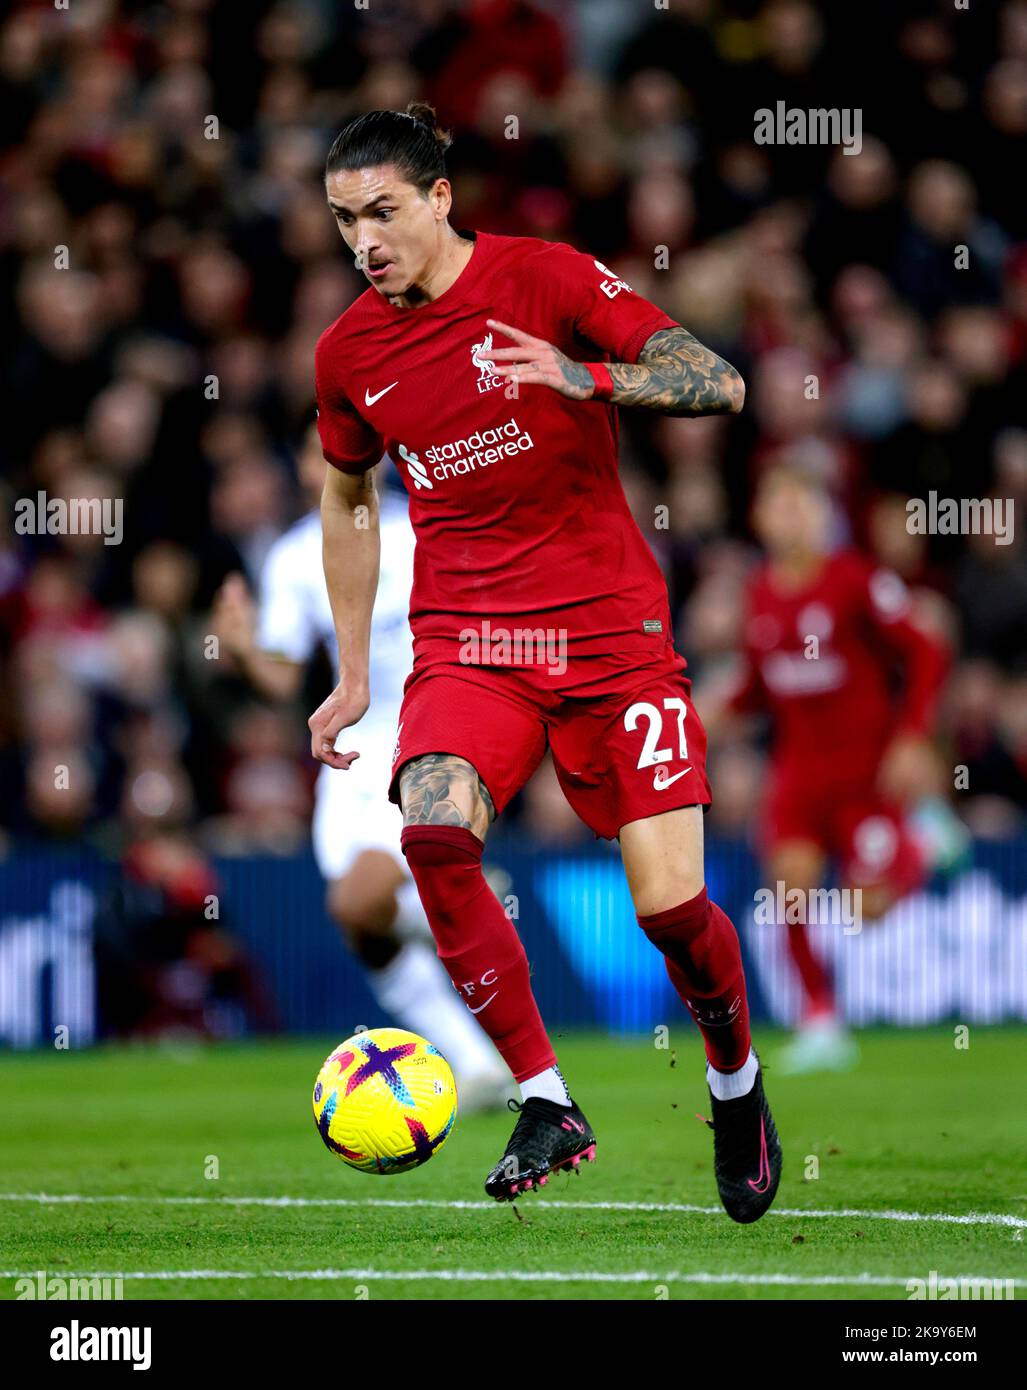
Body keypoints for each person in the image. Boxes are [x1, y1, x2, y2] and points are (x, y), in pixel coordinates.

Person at [308, 102, 781, 1222]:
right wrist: (354, 671)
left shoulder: (547, 277)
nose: (364, 241)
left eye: (382, 212)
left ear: (439, 198)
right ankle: (544, 1096)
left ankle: (734, 1080)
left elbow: (717, 381)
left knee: (670, 914)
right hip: (473, 644)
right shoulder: (348, 354)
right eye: (343, 220)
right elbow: (348, 495)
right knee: (431, 830)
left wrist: (587, 380)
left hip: (611, 639)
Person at [213, 422, 511, 1110]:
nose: (328, 458)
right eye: (312, 448)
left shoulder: (424, 528)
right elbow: (284, 678)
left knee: (358, 899)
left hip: (427, 731)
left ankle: (469, 913)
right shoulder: (293, 556)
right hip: (349, 750)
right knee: (360, 924)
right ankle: (477, 1066)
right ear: (298, 465)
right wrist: (243, 647)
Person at [714, 465, 949, 1073]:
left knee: (868, 906)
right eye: (778, 505)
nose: (790, 517)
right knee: (789, 890)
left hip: (866, 771)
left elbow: (926, 649)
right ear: (759, 519)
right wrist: (716, 711)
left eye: (801, 504)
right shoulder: (760, 592)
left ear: (822, 516)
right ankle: (821, 1019)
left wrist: (913, 736)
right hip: (798, 771)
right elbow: (760, 683)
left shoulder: (857, 579)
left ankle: (922, 842)